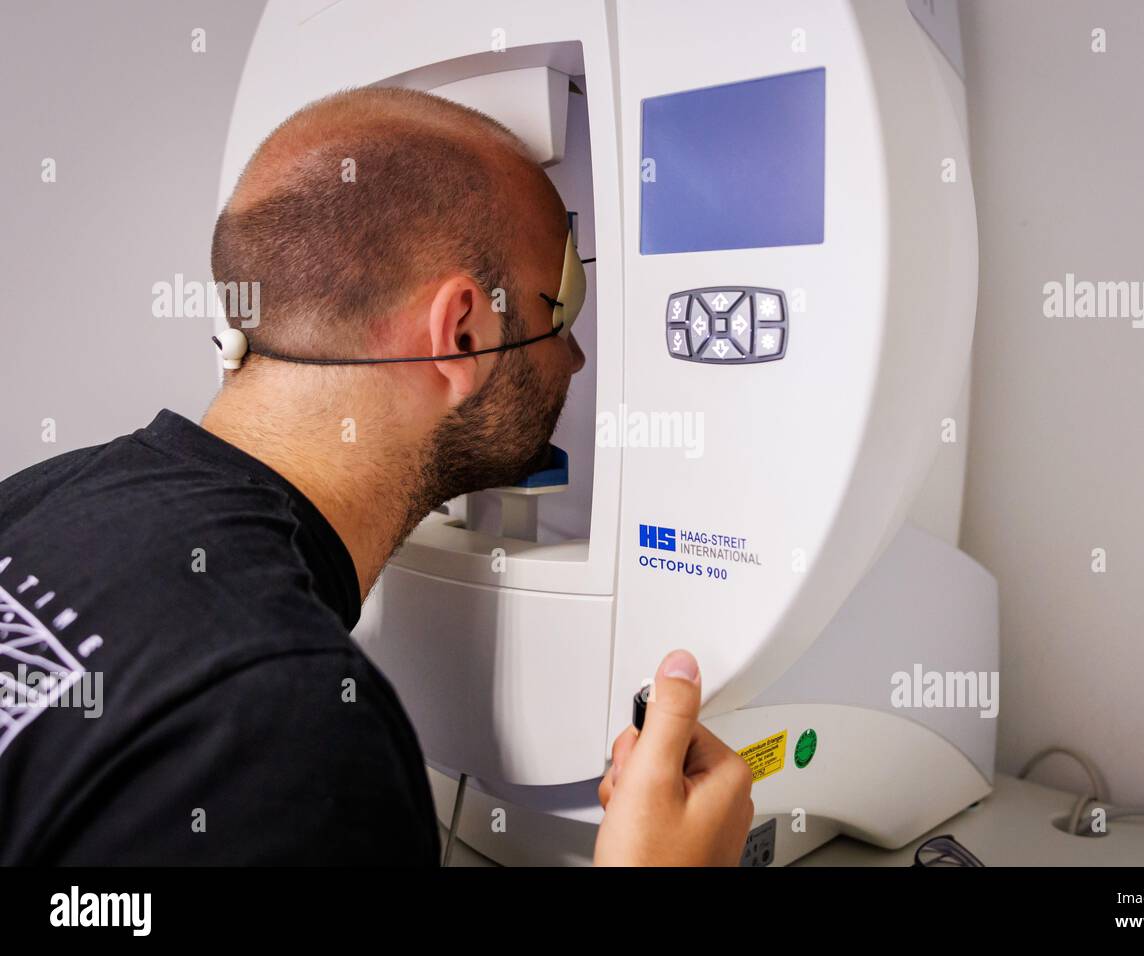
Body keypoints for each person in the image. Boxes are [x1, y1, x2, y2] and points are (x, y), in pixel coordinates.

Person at [0, 88, 753, 865]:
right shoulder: (292, 734)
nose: (575, 358)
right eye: (562, 308)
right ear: (463, 334)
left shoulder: (40, 493)